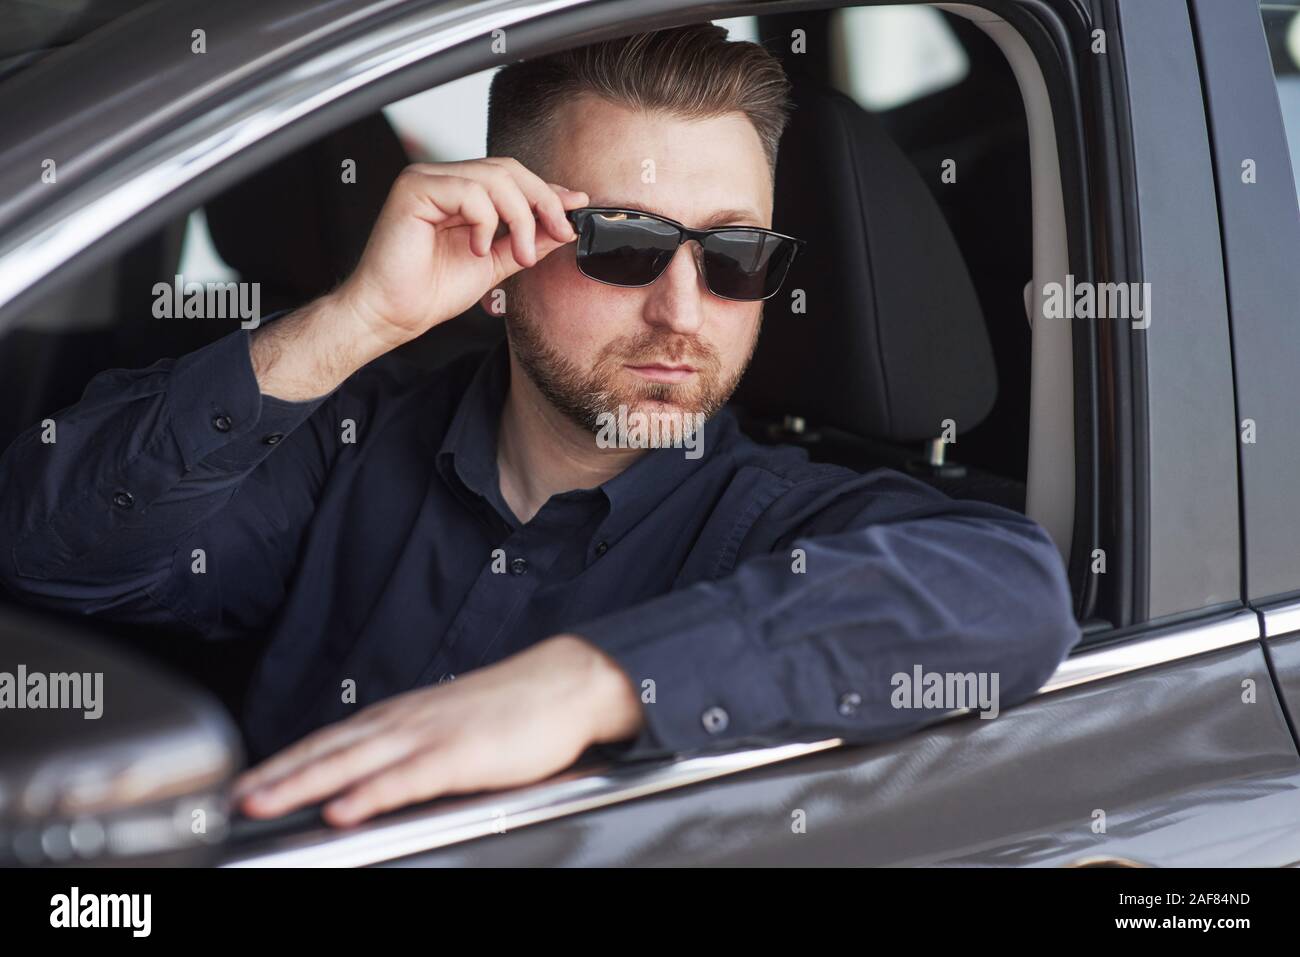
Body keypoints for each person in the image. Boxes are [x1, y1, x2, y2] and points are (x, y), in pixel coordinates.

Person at [0, 24, 1079, 827]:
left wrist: (593, 682)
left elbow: (1012, 593)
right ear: (501, 263)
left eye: (736, 255)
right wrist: (352, 321)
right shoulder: (347, 448)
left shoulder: (788, 524)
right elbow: (52, 553)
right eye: (621, 244)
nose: (682, 311)